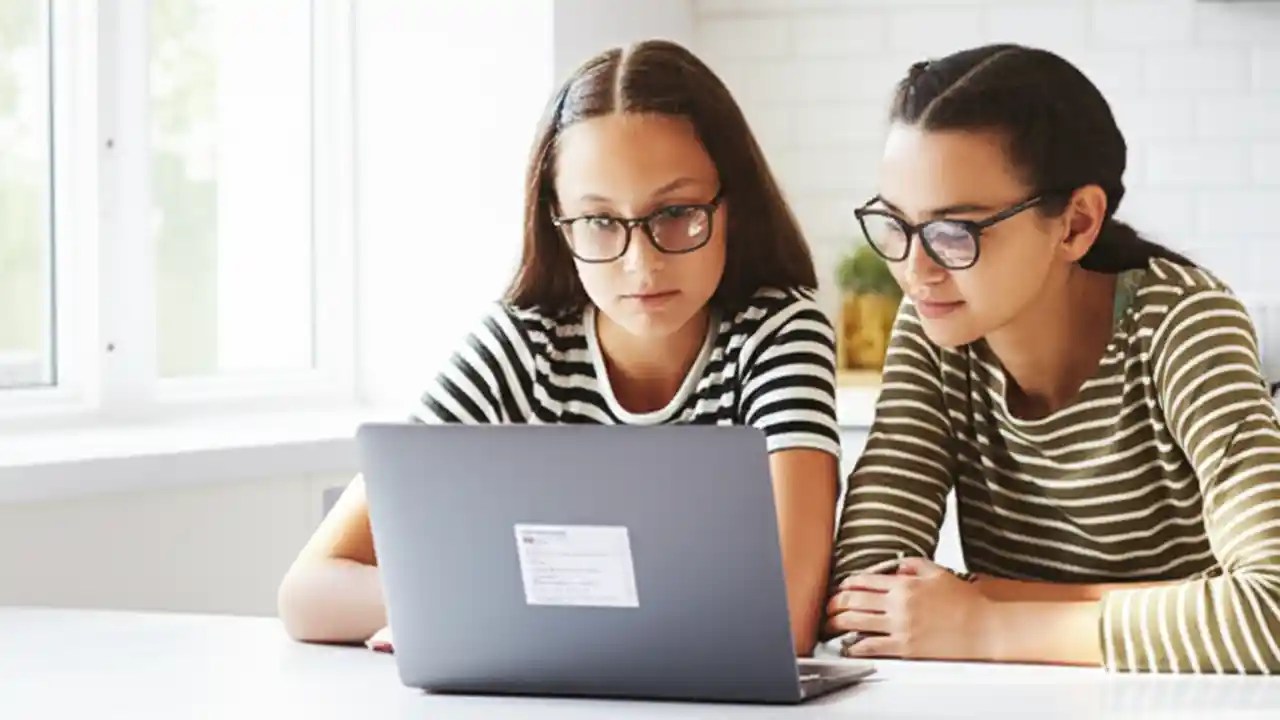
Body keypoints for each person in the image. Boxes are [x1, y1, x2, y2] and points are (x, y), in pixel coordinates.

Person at [279, 40, 842, 656]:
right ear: (558, 221)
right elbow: (309, 591)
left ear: (733, 205)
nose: (641, 263)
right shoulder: (520, 345)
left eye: (677, 212)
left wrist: (481, 604)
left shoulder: (779, 332)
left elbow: (785, 619)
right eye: (599, 222)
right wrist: (508, 604)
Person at [826, 44, 1280, 673]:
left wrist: (986, 619)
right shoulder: (937, 330)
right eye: (896, 225)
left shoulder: (1182, 323)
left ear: (1075, 224)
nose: (915, 270)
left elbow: (1269, 609)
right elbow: (865, 596)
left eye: (954, 232)